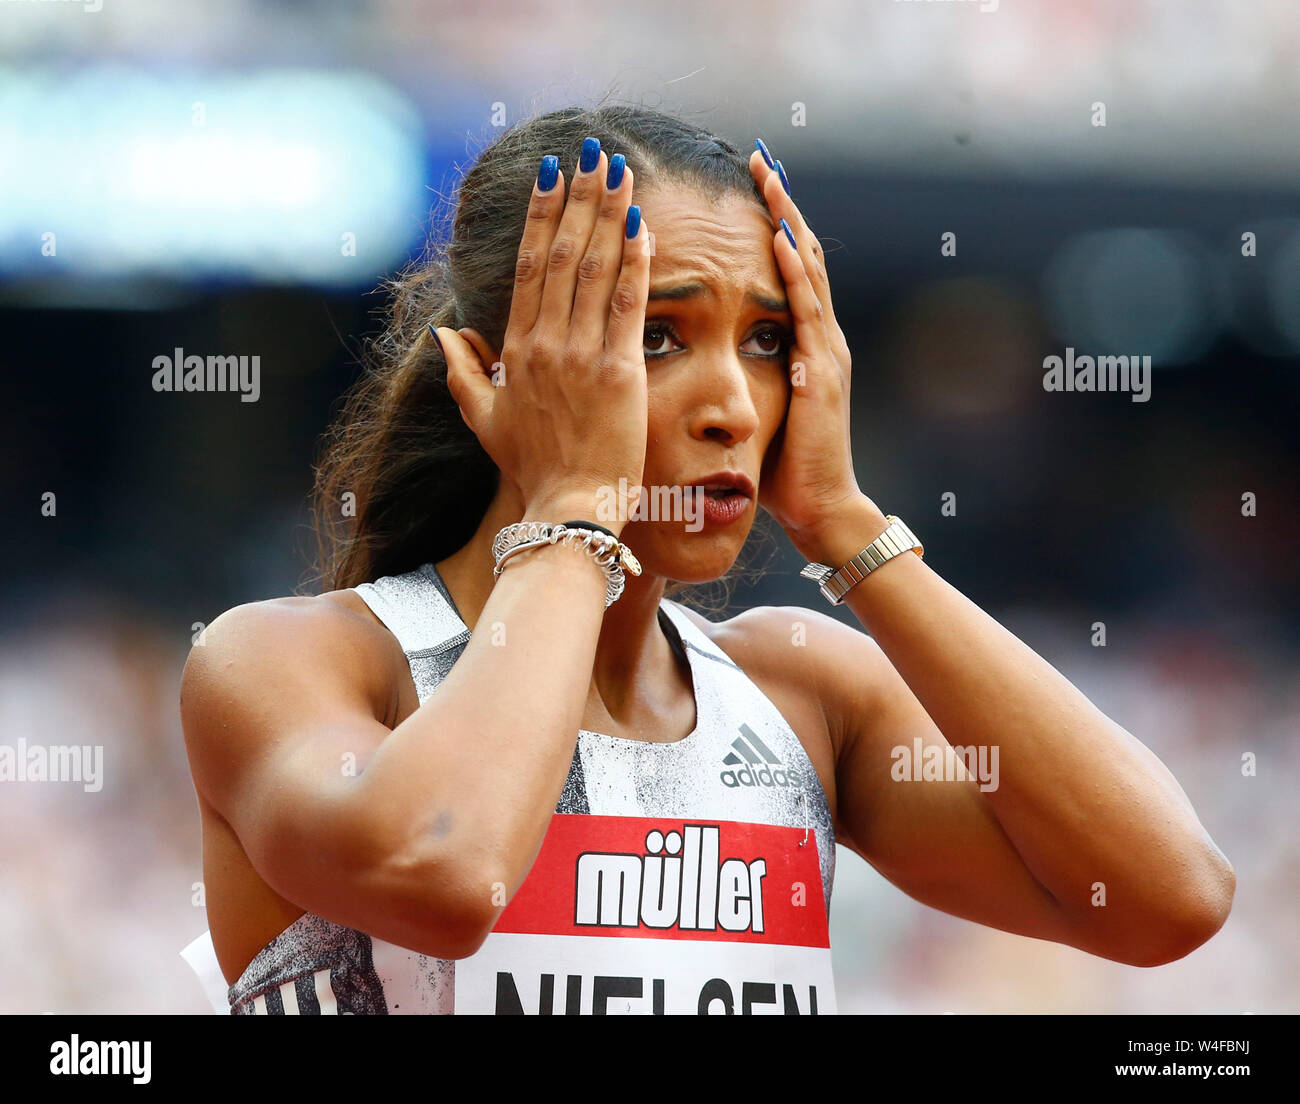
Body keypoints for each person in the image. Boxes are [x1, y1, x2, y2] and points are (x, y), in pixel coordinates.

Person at [178, 105, 1235, 1015]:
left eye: (768, 342)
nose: (733, 405)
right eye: (657, 335)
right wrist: (575, 506)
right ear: (491, 372)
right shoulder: (292, 663)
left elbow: (1164, 898)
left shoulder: (799, 692)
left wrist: (846, 525)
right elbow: (444, 874)